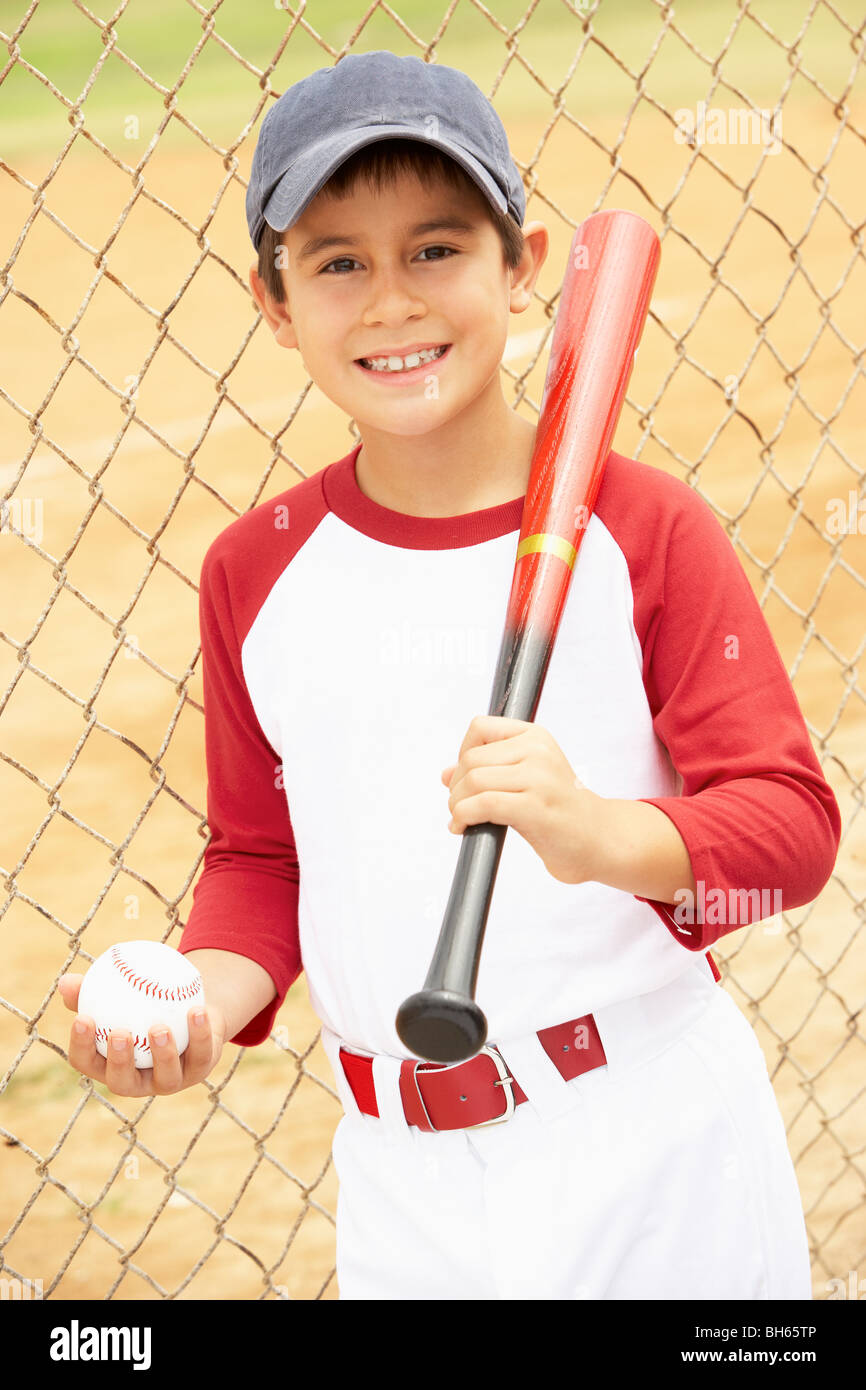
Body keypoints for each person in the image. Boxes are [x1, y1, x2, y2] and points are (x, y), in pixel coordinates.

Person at [60, 50, 841, 1300]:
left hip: (651, 1150)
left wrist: (599, 833)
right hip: (401, 1186)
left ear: (520, 264)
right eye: (337, 263)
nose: (390, 301)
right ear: (274, 301)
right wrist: (201, 997)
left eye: (435, 249)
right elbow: (260, 858)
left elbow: (790, 831)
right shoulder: (255, 570)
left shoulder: (642, 529)